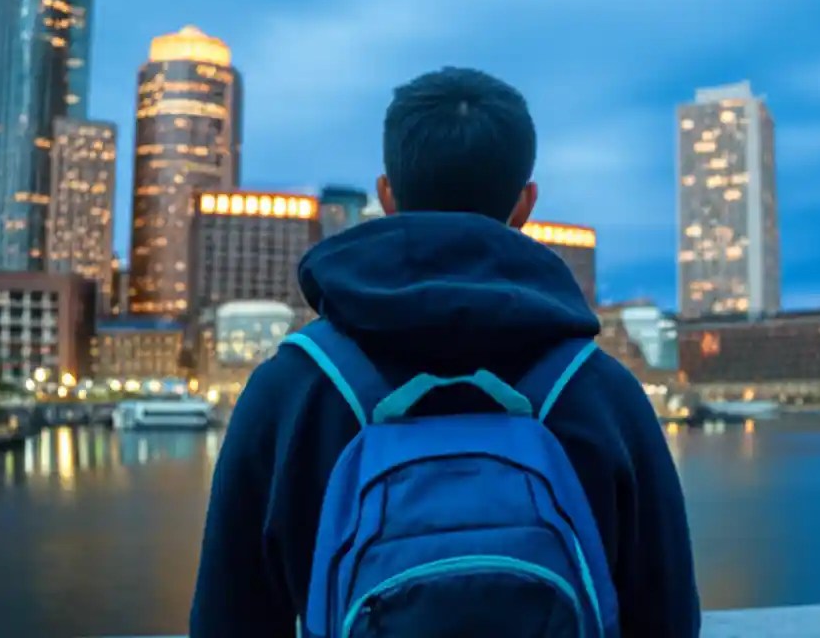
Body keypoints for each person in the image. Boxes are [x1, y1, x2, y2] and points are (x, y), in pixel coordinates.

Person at [190, 67, 700, 637]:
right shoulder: (600, 391)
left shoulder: (292, 390)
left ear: (387, 194)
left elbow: (226, 620)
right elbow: (669, 617)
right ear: (525, 203)